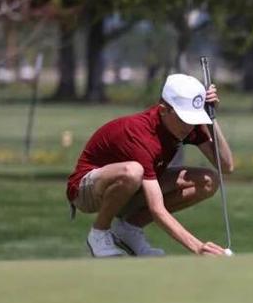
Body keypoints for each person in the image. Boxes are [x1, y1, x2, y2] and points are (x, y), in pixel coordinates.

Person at [66, 74, 233, 257]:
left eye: (194, 118)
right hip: (86, 190)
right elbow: (157, 209)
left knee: (208, 180)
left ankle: (128, 229)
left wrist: (211, 118)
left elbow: (226, 166)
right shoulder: (140, 133)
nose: (188, 126)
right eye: (183, 118)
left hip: (132, 189)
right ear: (163, 110)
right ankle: (99, 233)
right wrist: (198, 247)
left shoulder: (188, 125)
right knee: (133, 172)